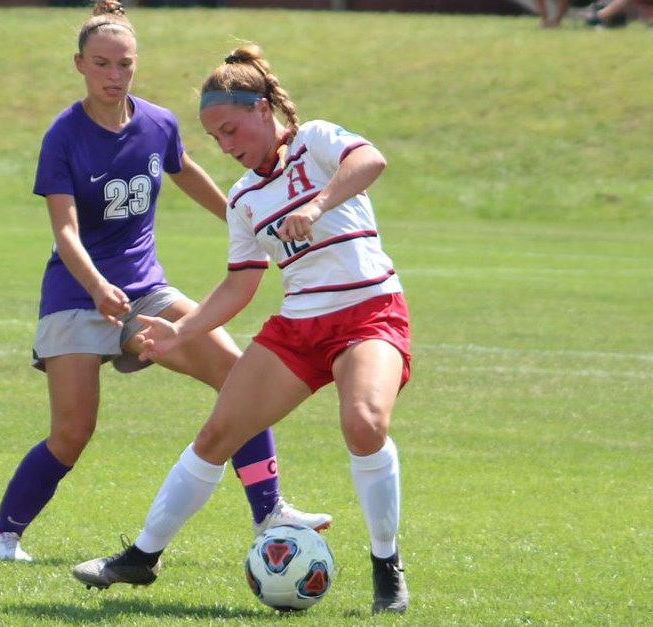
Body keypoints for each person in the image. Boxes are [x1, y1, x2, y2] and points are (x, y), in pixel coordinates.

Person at [0, 1, 330, 563]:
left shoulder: (158, 123)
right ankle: (2, 537)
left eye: (125, 65)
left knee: (238, 379)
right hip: (75, 295)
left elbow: (189, 174)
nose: (114, 76)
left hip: (147, 292)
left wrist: (246, 225)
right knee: (72, 433)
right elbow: (65, 232)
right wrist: (94, 285)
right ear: (80, 65)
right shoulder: (64, 136)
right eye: (102, 64)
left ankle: (269, 511)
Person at [72, 43, 413, 615]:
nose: (227, 147)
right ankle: (141, 557)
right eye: (216, 140)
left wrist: (320, 203)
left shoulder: (317, 139)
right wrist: (180, 333)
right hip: (299, 326)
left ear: (262, 108)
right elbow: (239, 283)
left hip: (369, 312)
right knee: (216, 435)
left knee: (364, 423)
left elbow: (371, 162)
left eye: (232, 130)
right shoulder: (243, 198)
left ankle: (387, 567)